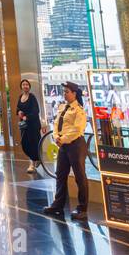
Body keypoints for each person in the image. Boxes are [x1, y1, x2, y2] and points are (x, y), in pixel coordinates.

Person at [43, 82, 89, 220]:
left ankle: (82, 208)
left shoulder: (79, 110)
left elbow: (77, 130)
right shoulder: (63, 107)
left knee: (79, 176)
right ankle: (58, 204)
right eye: (64, 91)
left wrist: (62, 139)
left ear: (74, 93)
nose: (64, 94)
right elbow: (57, 124)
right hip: (63, 145)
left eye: (67, 91)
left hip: (76, 145)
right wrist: (57, 137)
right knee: (60, 175)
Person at [16, 78, 42, 173]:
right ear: (21, 87)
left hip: (33, 124)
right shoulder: (20, 97)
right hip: (24, 125)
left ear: (29, 86)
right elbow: (18, 108)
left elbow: (36, 111)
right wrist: (19, 112)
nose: (25, 86)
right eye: (23, 84)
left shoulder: (32, 97)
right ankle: (37, 159)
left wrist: (27, 117)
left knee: (33, 143)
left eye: (27, 84)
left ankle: (32, 164)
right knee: (25, 143)